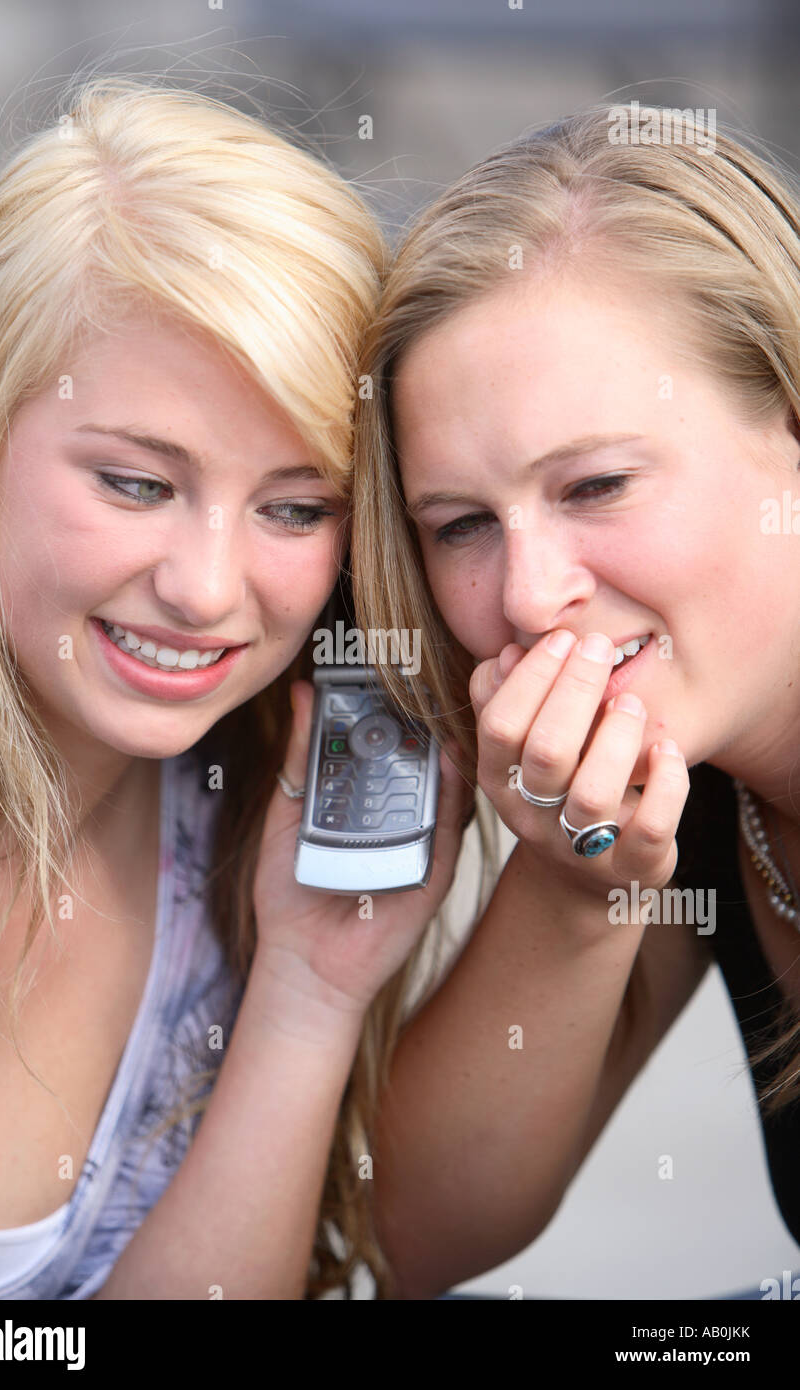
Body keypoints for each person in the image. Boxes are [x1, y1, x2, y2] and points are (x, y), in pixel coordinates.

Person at [0, 73, 470, 1301]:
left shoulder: (226, 813)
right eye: (134, 483)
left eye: (293, 506)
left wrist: (304, 991)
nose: (206, 587)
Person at [351, 104, 800, 1298]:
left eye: (594, 484)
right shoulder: (694, 785)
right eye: (460, 526)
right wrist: (571, 884)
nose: (529, 594)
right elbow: (410, 1238)